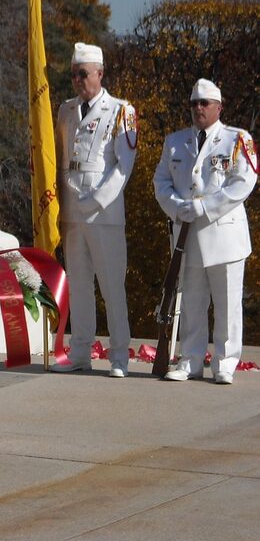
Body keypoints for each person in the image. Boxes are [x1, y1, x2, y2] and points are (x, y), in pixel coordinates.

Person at [153, 78, 257, 384]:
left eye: (204, 103)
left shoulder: (237, 139)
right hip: (188, 236)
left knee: (227, 304)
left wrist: (206, 206)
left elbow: (243, 182)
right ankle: (190, 359)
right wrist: (175, 206)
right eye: (194, 103)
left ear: (219, 107)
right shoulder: (175, 141)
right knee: (192, 303)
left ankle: (225, 362)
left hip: (224, 235)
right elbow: (161, 182)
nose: (198, 108)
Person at [51, 43, 138, 377]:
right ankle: (81, 352)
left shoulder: (120, 111)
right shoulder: (66, 110)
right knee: (80, 283)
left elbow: (123, 166)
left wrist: (100, 200)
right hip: (73, 212)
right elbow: (60, 161)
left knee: (112, 285)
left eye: (83, 73)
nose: (77, 79)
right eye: (74, 73)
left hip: (105, 215)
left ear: (100, 73)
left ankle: (119, 356)